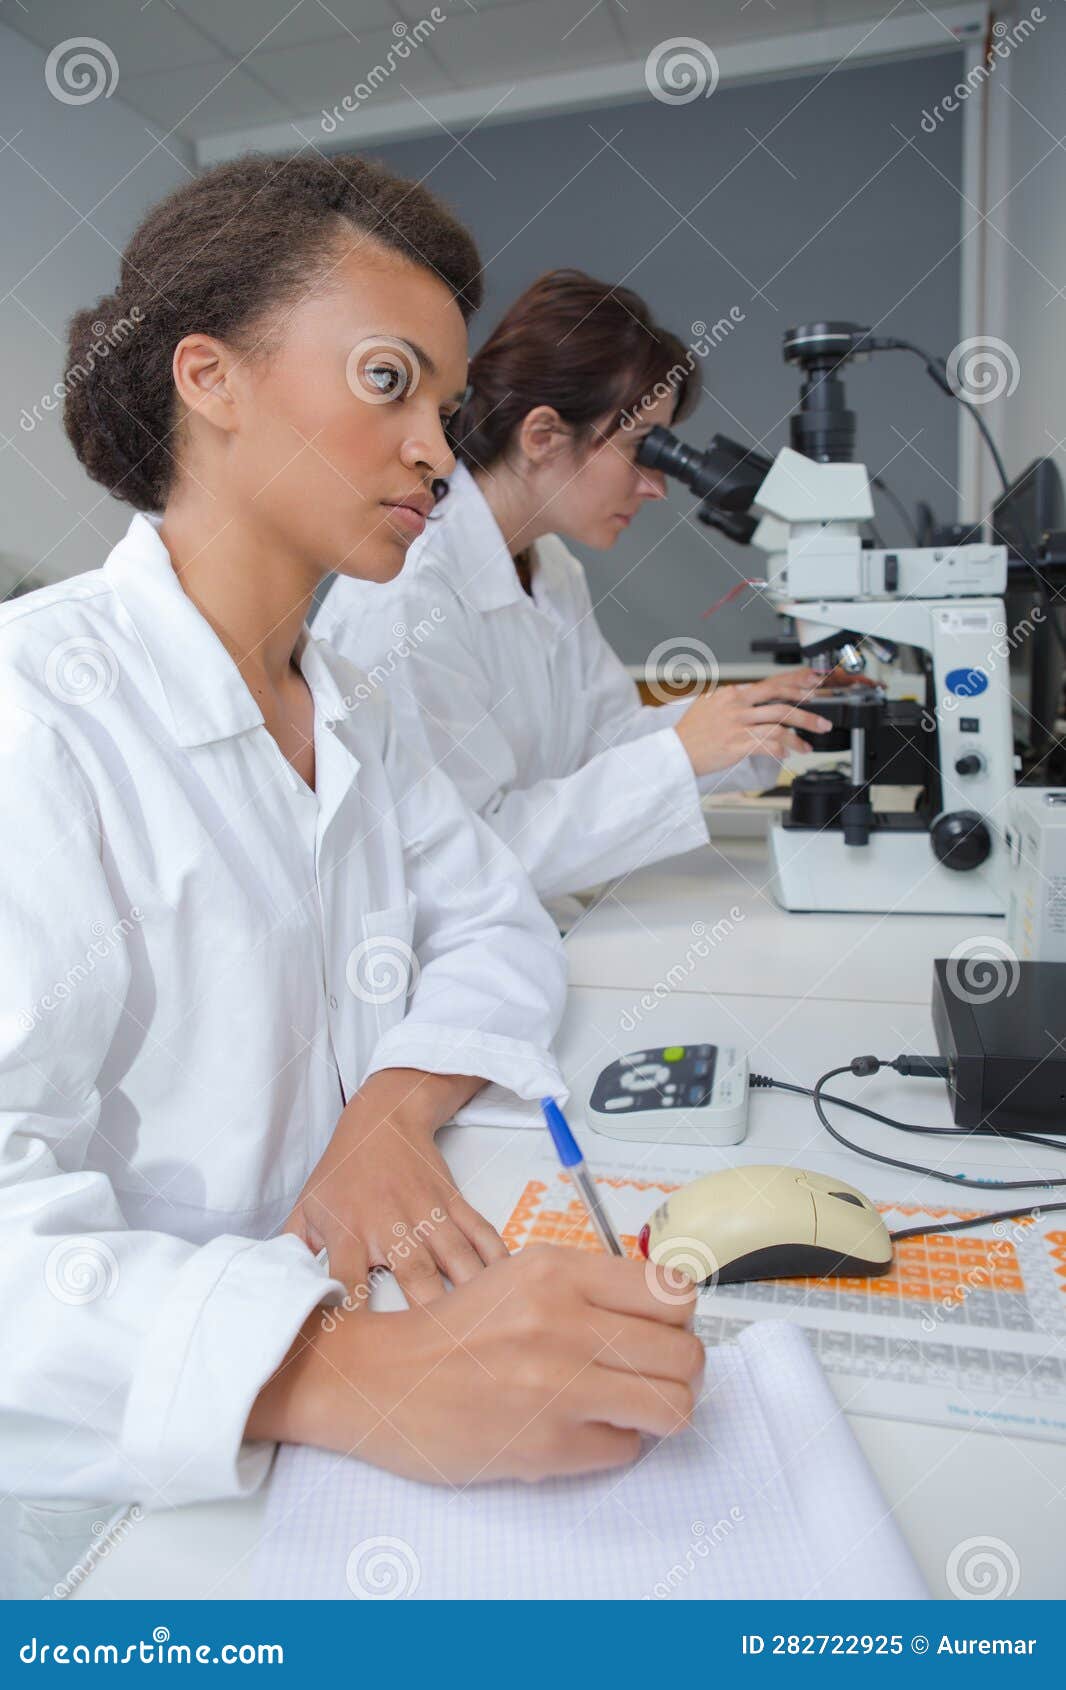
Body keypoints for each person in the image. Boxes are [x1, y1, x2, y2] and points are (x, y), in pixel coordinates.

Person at [0, 159, 703, 1570]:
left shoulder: (351, 709)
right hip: (120, 1492)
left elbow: (497, 923)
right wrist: (341, 1376)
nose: (439, 453)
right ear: (211, 377)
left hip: (338, 1360)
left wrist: (386, 1111)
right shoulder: (39, 717)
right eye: (387, 382)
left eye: (444, 408)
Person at [316, 269, 831, 908]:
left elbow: (600, 741)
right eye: (645, 448)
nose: (656, 485)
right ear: (542, 437)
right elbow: (462, 859)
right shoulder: (409, 598)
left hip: (542, 925)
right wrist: (678, 756)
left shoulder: (549, 565)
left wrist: (745, 729)